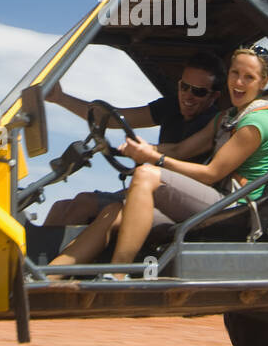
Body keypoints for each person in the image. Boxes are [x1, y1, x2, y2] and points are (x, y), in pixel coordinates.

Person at [48, 45, 268, 276]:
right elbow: (179, 149)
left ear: (263, 82)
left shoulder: (258, 121)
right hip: (212, 202)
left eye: (248, 77)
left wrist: (154, 158)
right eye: (235, 73)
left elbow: (212, 173)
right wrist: (141, 150)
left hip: (234, 209)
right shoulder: (226, 117)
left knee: (146, 174)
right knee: (113, 210)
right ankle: (47, 278)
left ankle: (118, 275)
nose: (239, 82)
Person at [40, 51, 225, 226]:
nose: (188, 96)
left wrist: (144, 151)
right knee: (61, 208)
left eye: (198, 92)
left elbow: (179, 150)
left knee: (85, 204)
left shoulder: (213, 125)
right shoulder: (171, 107)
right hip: (149, 190)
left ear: (214, 96)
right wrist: (60, 98)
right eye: (184, 87)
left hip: (176, 202)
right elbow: (113, 119)